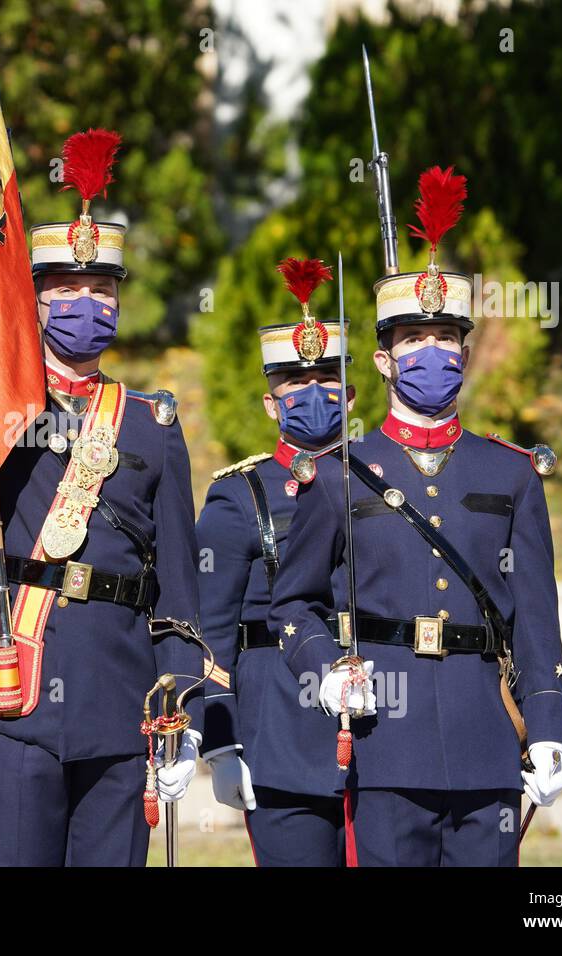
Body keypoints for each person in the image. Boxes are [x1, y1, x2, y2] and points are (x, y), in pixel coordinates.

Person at [268, 167, 562, 866]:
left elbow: (536, 613)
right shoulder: (339, 472)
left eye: (445, 337)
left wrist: (549, 724)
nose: (431, 352)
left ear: (465, 352)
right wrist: (326, 671)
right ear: (382, 359)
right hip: (384, 742)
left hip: (488, 738)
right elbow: (294, 603)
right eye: (413, 340)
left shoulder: (512, 473)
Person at [0, 128, 205, 866]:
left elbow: (179, 594)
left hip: (122, 706)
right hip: (11, 686)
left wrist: (181, 711)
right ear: (35, 297)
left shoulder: (152, 425)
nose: (88, 303)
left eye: (102, 289)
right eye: (67, 288)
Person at [197, 257, 354, 866]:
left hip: (390, 731)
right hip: (282, 732)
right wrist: (219, 741)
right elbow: (211, 630)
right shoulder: (241, 495)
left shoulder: (389, 481)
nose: (313, 393)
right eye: (294, 382)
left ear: (353, 390)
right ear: (270, 403)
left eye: (326, 378)